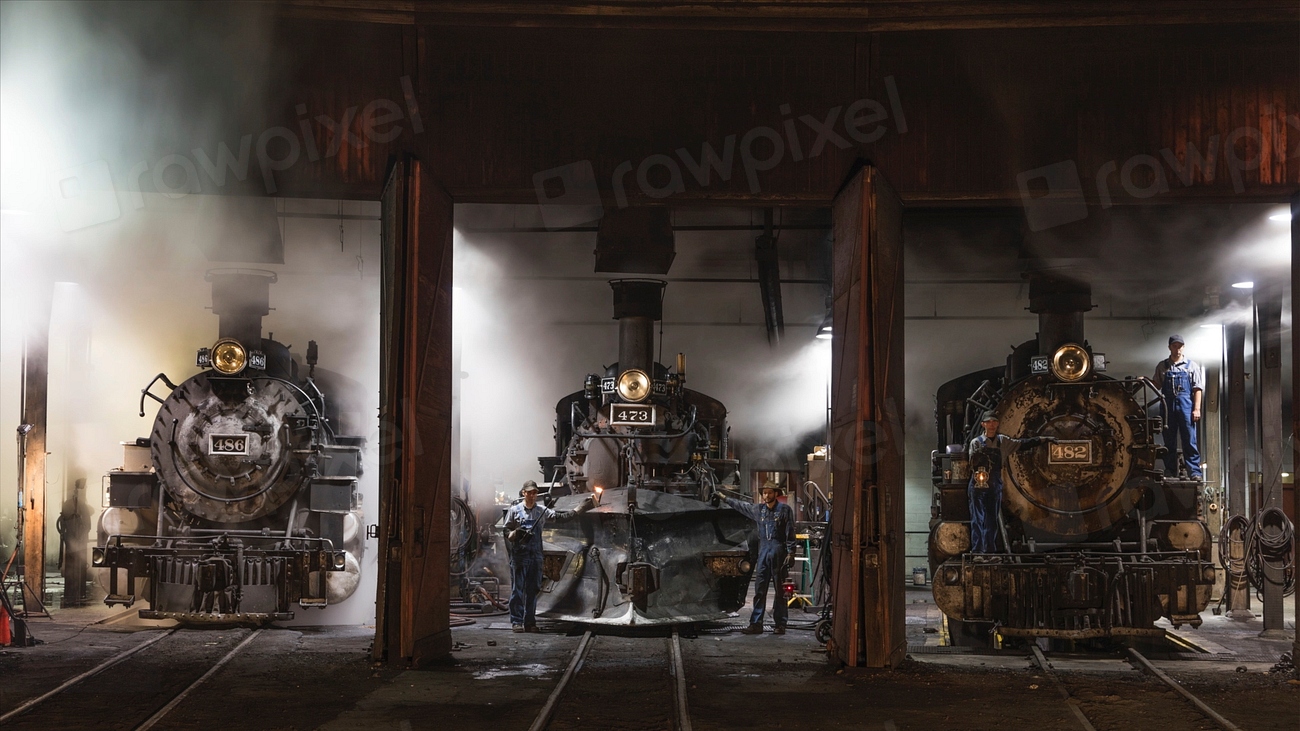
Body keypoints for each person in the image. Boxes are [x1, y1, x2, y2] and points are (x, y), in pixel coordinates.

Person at [503, 480, 593, 632]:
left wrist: (578, 510)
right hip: (520, 555)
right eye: (529, 492)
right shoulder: (515, 510)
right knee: (517, 590)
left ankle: (530, 623)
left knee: (533, 590)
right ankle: (516, 622)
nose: (532, 495)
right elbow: (506, 530)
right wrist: (514, 534)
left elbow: (561, 517)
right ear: (523, 493)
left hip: (536, 556)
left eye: (535, 492)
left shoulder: (542, 511)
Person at [713, 481, 797, 635]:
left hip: (779, 551)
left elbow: (790, 532)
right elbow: (741, 506)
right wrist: (724, 498)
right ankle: (756, 624)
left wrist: (791, 552)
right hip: (764, 551)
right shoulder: (759, 510)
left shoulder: (784, 510)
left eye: (769, 492)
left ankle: (780, 624)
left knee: (780, 591)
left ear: (776, 494)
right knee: (760, 589)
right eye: (764, 492)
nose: (766, 495)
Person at [967, 412, 1056, 555]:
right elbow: (972, 463)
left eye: (994, 422)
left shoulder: (1004, 442)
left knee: (991, 520)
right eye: (988, 422)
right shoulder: (976, 442)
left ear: (997, 424)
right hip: (978, 483)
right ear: (983, 424)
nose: (991, 425)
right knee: (978, 519)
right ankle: (977, 552)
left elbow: (1023, 444)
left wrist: (1042, 439)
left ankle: (989, 553)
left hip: (994, 482)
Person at [1153, 334, 1204, 479]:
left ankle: (1194, 471)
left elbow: (1197, 389)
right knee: (1169, 440)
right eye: (1174, 346)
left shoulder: (1191, 366)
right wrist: (1144, 381)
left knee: (1189, 439)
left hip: (1186, 407)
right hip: (1168, 408)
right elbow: (1156, 385)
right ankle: (1170, 470)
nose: (1177, 349)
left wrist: (1197, 409)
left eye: (1180, 346)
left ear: (1183, 347)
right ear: (1169, 347)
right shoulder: (1162, 366)